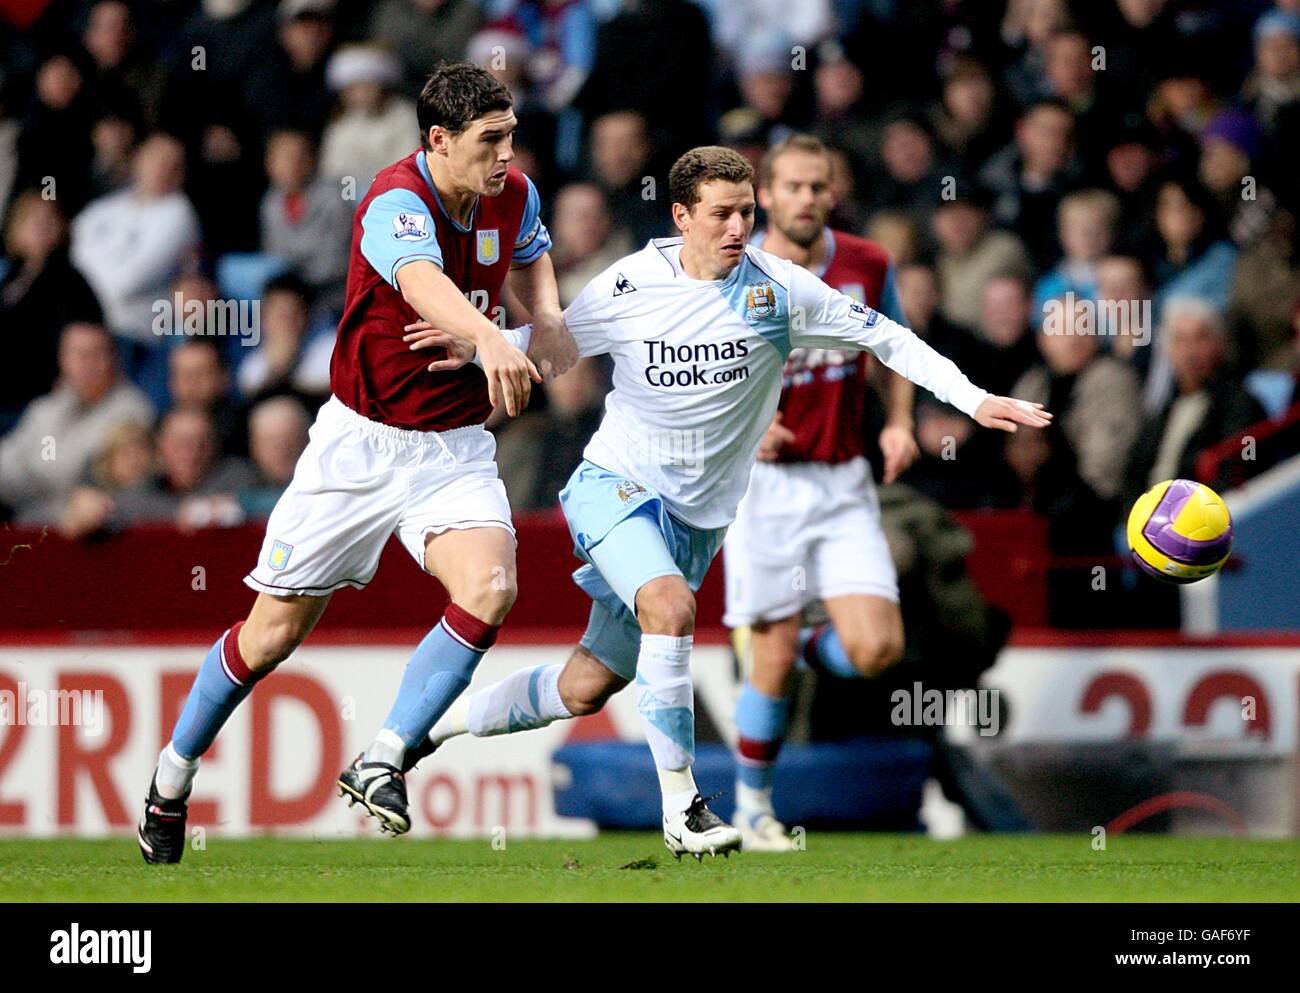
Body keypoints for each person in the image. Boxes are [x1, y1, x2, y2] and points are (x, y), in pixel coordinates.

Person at [401, 146, 1050, 859]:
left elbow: (889, 338)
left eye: (746, 210)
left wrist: (975, 397)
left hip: (698, 517)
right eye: (722, 213)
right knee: (672, 607)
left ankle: (430, 726)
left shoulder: (783, 290)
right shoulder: (629, 283)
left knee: (587, 685)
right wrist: (480, 343)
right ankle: (684, 807)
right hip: (614, 483)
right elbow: (555, 351)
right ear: (682, 216)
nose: (740, 225)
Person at [136, 63, 575, 864]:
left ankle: (384, 755)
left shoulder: (514, 192)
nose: (507, 154)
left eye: (511, 136)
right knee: (269, 637)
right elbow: (420, 282)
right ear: (438, 140)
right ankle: (171, 778)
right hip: (357, 445)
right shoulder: (393, 199)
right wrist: (488, 337)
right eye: (490, 140)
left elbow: (533, 252)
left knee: (494, 584)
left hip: (453, 447)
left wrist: (542, 313)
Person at [712, 135, 918, 851]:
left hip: (842, 480)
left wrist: (898, 422)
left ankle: (804, 643)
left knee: (878, 649)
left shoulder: (867, 263)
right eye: (793, 186)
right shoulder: (730, 269)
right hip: (761, 489)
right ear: (767, 194)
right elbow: (690, 368)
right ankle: (752, 808)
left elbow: (892, 344)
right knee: (764, 664)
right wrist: (743, 425)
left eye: (818, 187)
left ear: (833, 193)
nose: (806, 198)